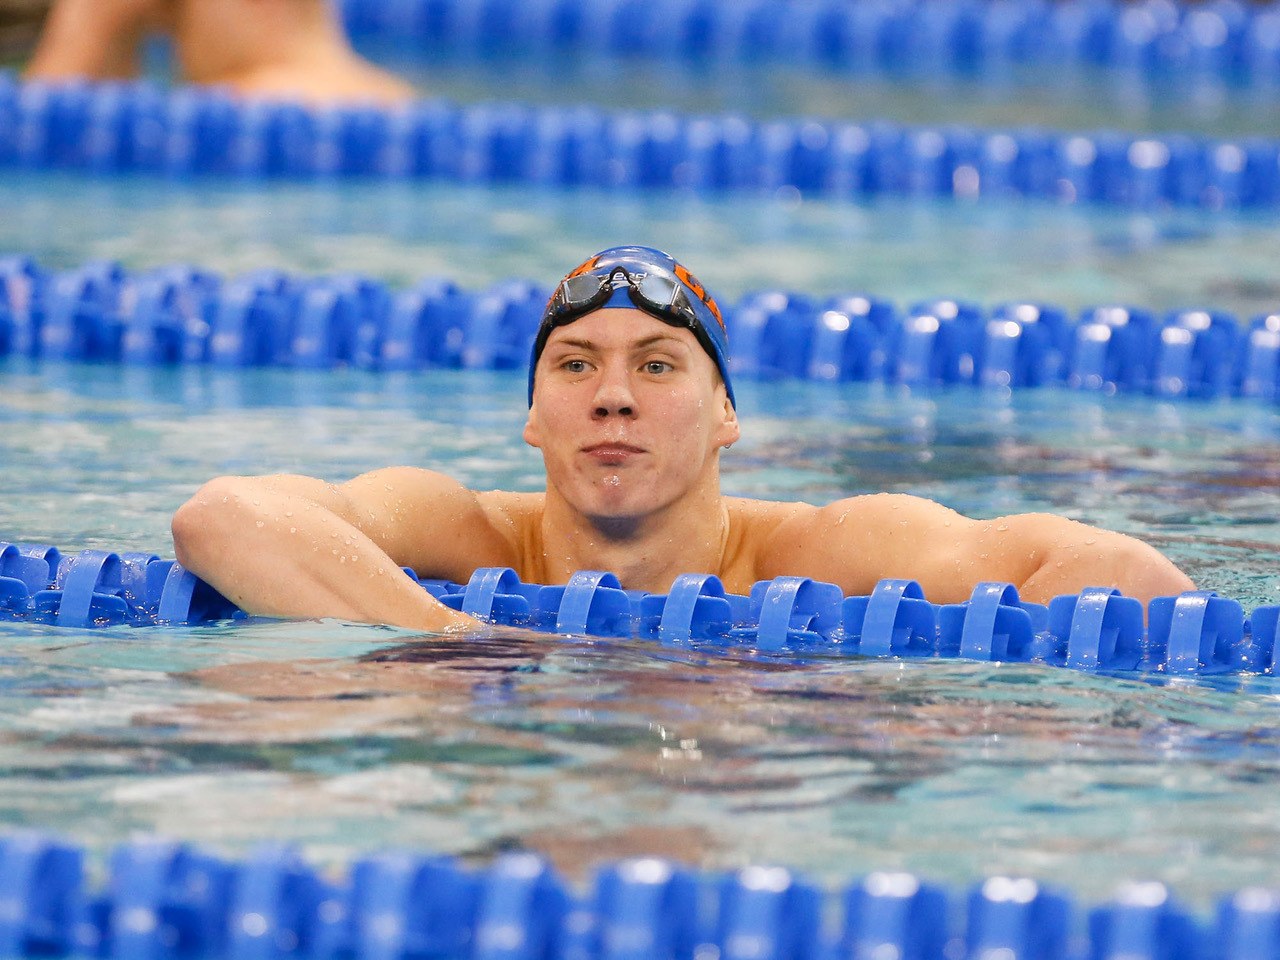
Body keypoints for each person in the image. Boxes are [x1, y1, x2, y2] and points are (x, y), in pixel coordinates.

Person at [171, 245, 1196, 634]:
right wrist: (449, 646)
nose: (611, 398)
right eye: (575, 366)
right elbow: (224, 517)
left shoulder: (815, 553)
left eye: (657, 367)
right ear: (533, 416)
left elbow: (1118, 573)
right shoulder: (467, 533)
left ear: (724, 418)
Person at [23, 0, 414, 106]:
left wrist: (88, 24)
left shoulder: (242, 107)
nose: (177, 46)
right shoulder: (399, 99)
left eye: (177, 12)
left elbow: (36, 147)